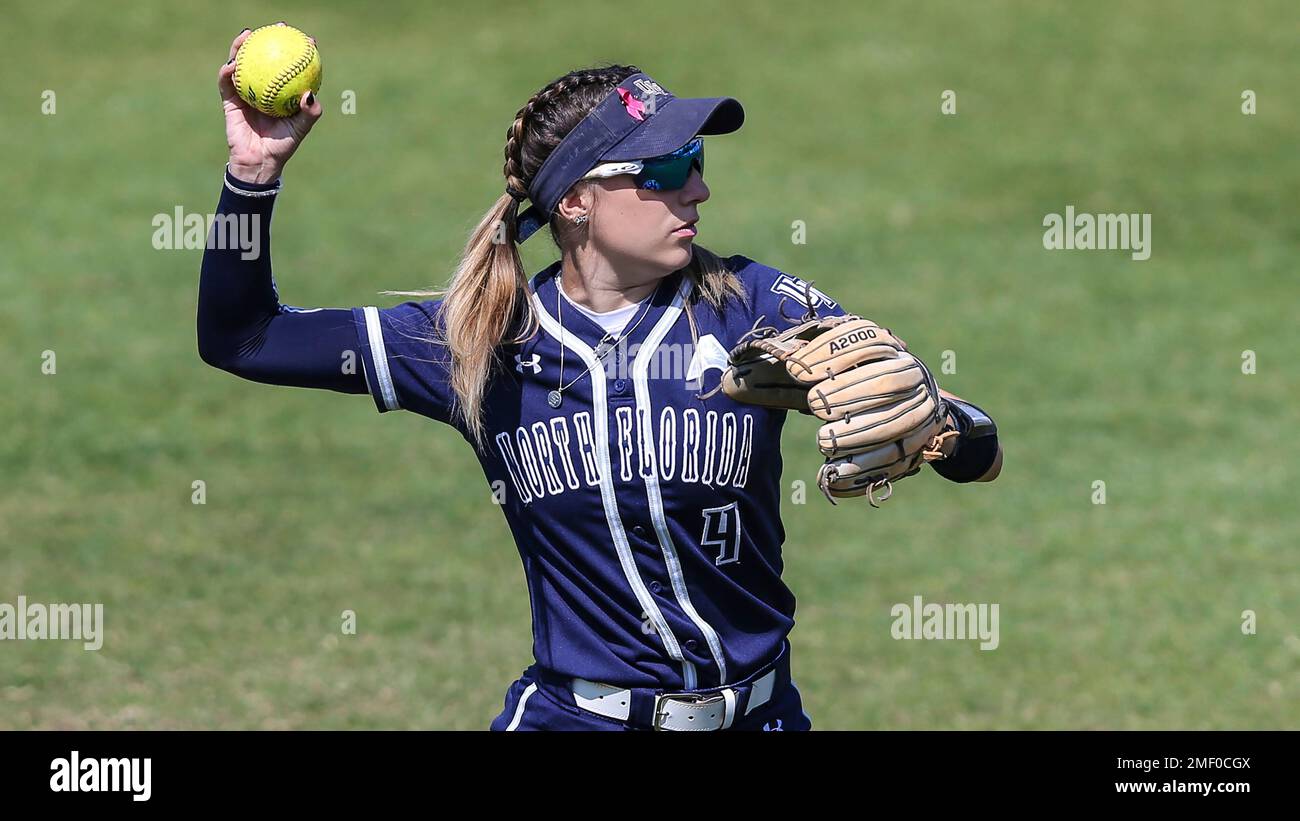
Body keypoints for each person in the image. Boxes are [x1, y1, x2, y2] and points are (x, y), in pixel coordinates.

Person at [201, 30, 1002, 731]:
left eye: (698, 160)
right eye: (668, 167)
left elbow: (974, 441)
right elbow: (245, 337)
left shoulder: (756, 306)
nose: (699, 187)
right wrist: (252, 173)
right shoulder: (480, 342)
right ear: (578, 200)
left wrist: (941, 427)